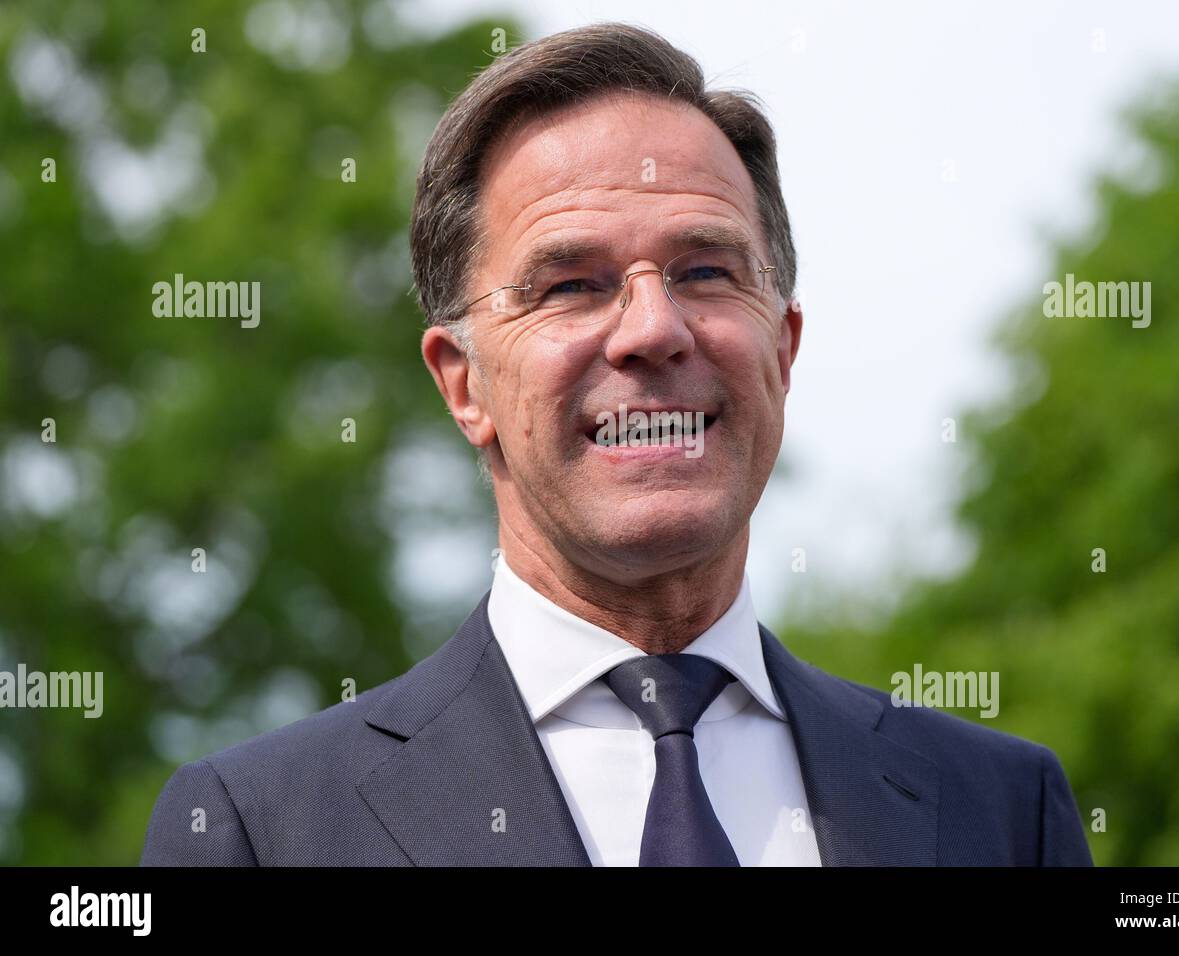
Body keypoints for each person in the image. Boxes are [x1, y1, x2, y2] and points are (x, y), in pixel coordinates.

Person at [140, 22, 1092, 867]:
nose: (652, 328)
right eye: (572, 285)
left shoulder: (1004, 812)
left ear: (784, 348)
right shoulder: (263, 833)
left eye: (706, 269)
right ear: (464, 384)